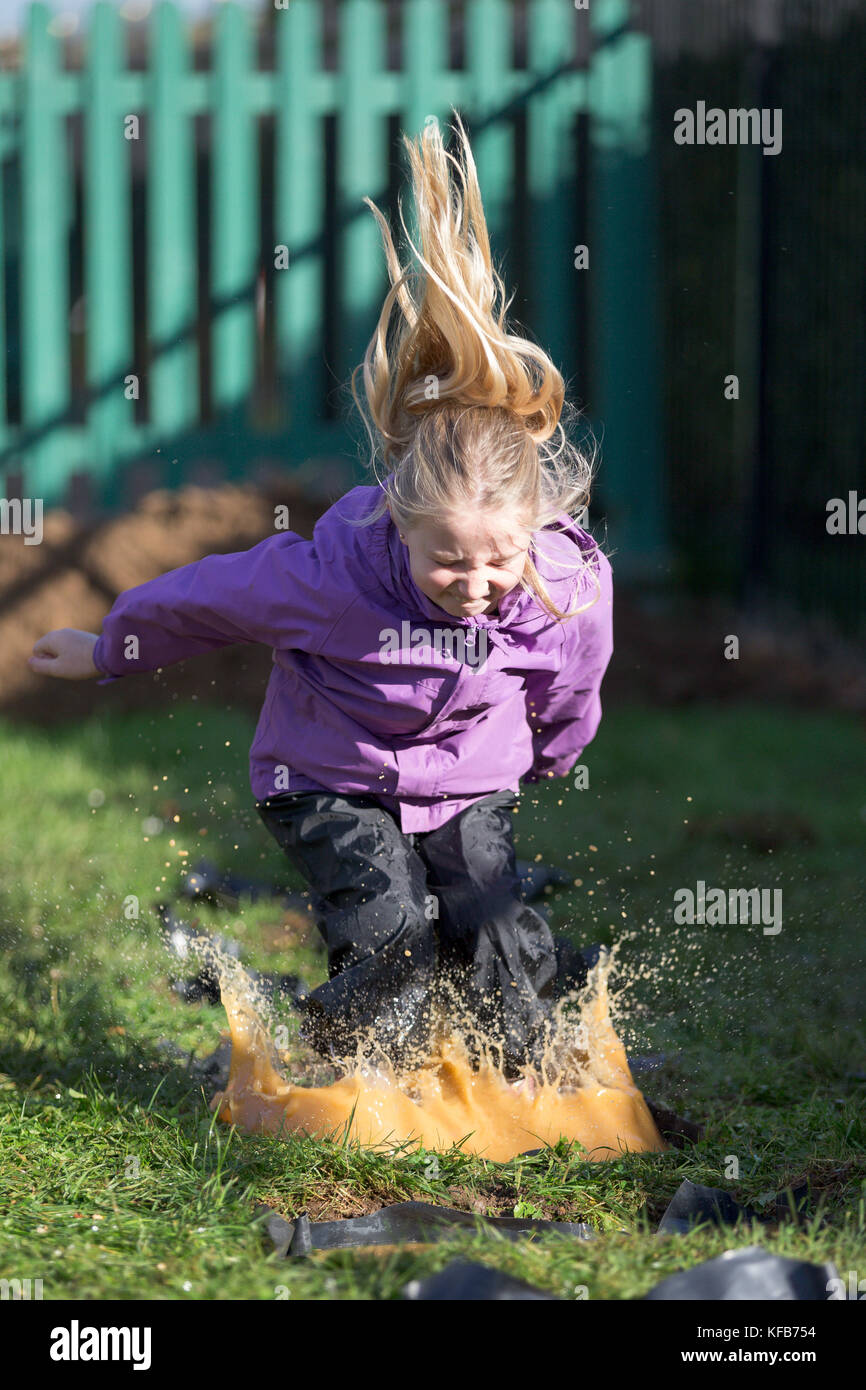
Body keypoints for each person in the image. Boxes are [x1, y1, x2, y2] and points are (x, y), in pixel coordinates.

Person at [28, 112, 613, 1084]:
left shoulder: (558, 584)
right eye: (446, 563)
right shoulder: (325, 578)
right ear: (398, 522)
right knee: (390, 934)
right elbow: (201, 600)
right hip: (325, 778)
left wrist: (557, 749)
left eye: (494, 562)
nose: (474, 586)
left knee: (489, 924)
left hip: (466, 778)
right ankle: (348, 1070)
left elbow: (572, 678)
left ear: (532, 532)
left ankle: (516, 1068)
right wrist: (107, 646)